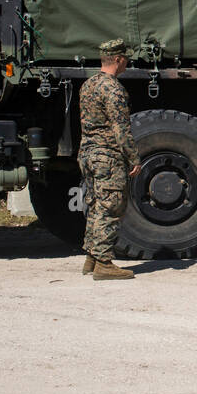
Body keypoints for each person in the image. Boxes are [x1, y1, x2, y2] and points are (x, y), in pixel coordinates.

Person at [78, 39, 141, 279]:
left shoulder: (89, 85)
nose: (127, 62)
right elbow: (120, 128)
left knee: (96, 205)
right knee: (111, 207)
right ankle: (104, 264)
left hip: (88, 154)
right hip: (108, 156)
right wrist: (134, 157)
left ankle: (92, 258)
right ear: (117, 59)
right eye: (125, 58)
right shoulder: (113, 88)